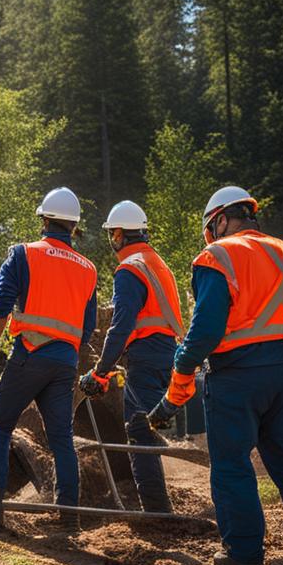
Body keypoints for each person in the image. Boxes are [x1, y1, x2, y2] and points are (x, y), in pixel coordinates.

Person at [146, 186, 283, 565]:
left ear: (218, 220)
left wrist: (178, 380)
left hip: (236, 377)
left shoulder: (217, 256)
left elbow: (205, 331)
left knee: (233, 466)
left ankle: (245, 555)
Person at [0, 187, 98, 531]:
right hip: (65, 361)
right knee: (61, 439)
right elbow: (89, 327)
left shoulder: (23, 254)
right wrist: (65, 353)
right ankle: (69, 515)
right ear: (73, 226)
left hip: (30, 354)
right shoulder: (88, 268)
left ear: (44, 220)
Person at [79, 201, 183, 512]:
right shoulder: (156, 262)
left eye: (112, 234)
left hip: (147, 356)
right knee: (147, 428)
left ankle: (156, 510)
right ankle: (158, 504)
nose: (112, 240)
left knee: (139, 431)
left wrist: (100, 371)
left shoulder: (129, 269)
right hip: (168, 353)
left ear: (121, 233)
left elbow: (121, 326)